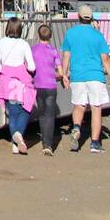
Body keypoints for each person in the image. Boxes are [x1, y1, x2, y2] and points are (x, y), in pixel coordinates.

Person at [61, 4, 110, 154]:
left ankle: (76, 127)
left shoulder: (70, 33)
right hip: (95, 75)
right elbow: (105, 59)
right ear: (91, 18)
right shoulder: (98, 35)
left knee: (79, 105)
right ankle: (95, 143)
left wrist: (64, 74)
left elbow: (66, 55)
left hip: (77, 75)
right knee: (96, 109)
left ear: (78, 17)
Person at [0, 19, 36, 155]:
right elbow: (32, 66)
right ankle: (18, 135)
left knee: (13, 114)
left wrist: (6, 70)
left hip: (7, 82)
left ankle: (15, 144)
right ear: (20, 29)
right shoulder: (24, 44)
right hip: (22, 83)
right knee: (26, 110)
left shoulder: (2, 42)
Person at [31, 24, 62, 156]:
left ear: (38, 35)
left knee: (42, 114)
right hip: (51, 86)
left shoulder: (33, 50)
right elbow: (60, 72)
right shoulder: (54, 51)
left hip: (38, 85)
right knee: (50, 115)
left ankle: (44, 140)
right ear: (50, 36)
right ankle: (48, 144)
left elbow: (30, 68)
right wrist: (52, 75)